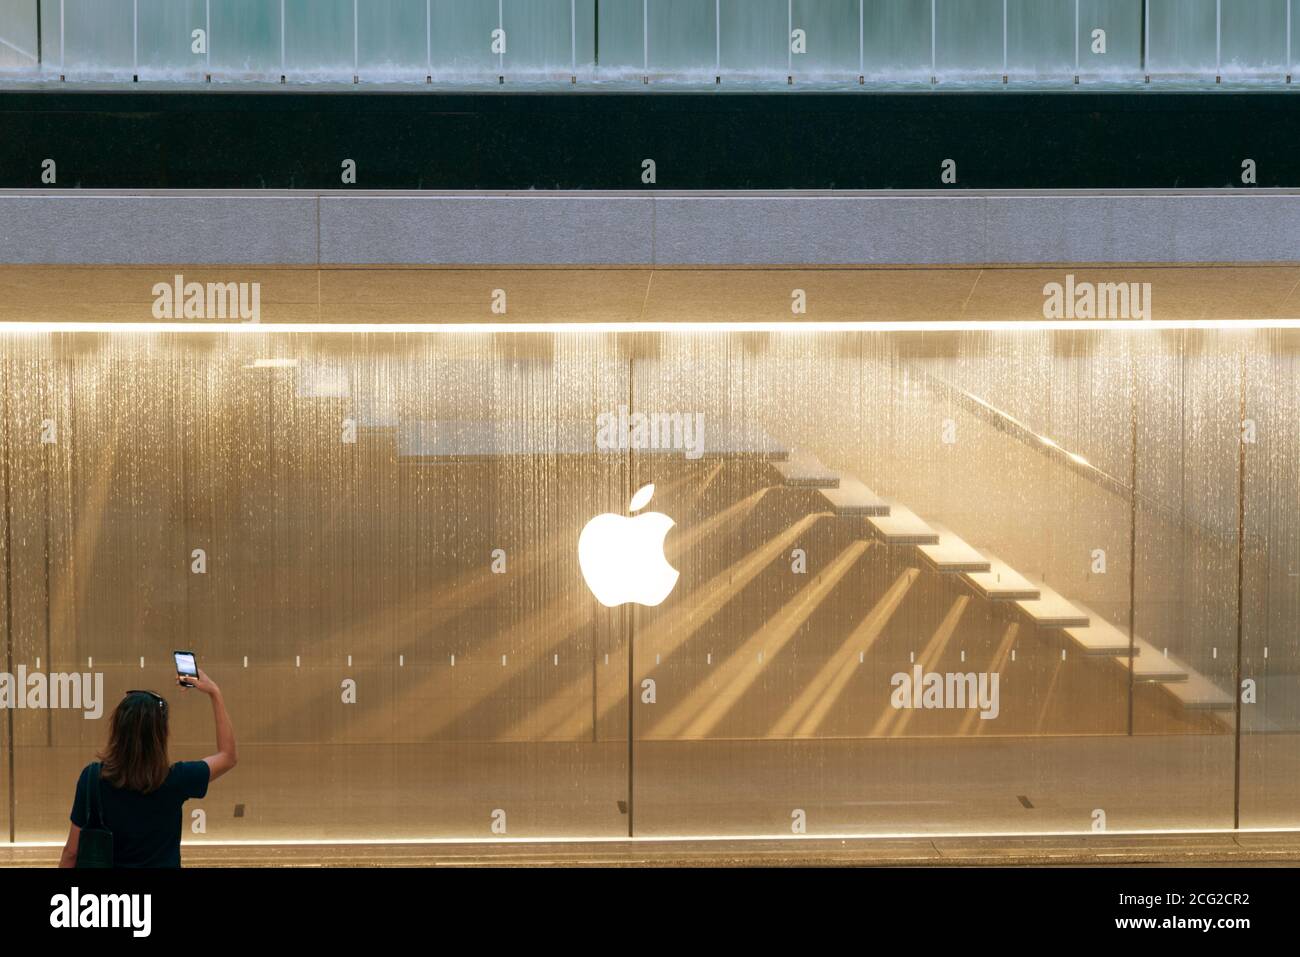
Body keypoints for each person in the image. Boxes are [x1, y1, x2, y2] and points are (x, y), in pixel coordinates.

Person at [58, 668, 237, 868]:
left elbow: (71, 853)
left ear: (117, 729)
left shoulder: (92, 778)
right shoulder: (178, 779)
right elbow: (228, 756)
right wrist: (214, 692)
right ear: (161, 734)